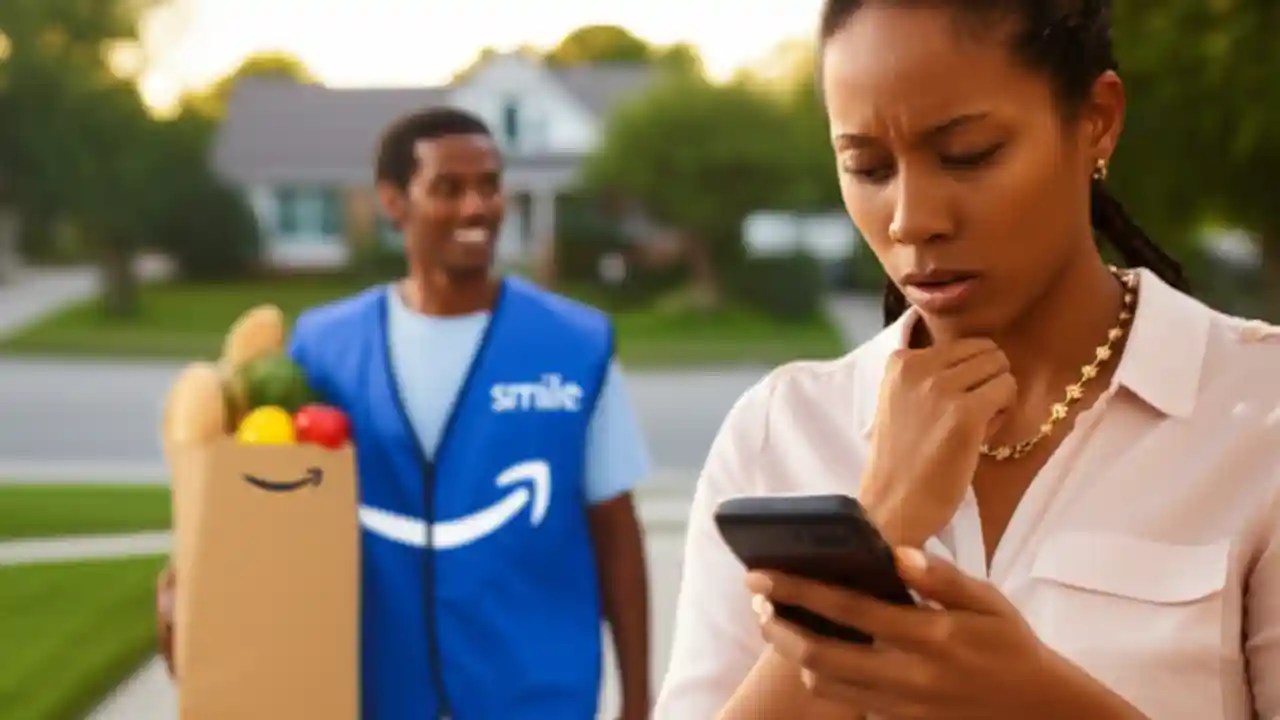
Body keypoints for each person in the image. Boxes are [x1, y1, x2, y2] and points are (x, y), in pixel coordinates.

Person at [655, 1, 1280, 718]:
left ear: (1097, 119)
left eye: (969, 155)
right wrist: (878, 526)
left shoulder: (1260, 416)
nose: (911, 218)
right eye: (868, 166)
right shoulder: (779, 433)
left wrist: (1044, 705)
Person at [157, 107, 654, 719]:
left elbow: (617, 535)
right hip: (374, 692)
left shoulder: (575, 346)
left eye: (490, 185)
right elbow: (261, 503)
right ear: (394, 202)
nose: (477, 207)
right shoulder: (321, 350)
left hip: (534, 693)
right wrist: (188, 578)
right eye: (449, 188)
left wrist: (637, 701)